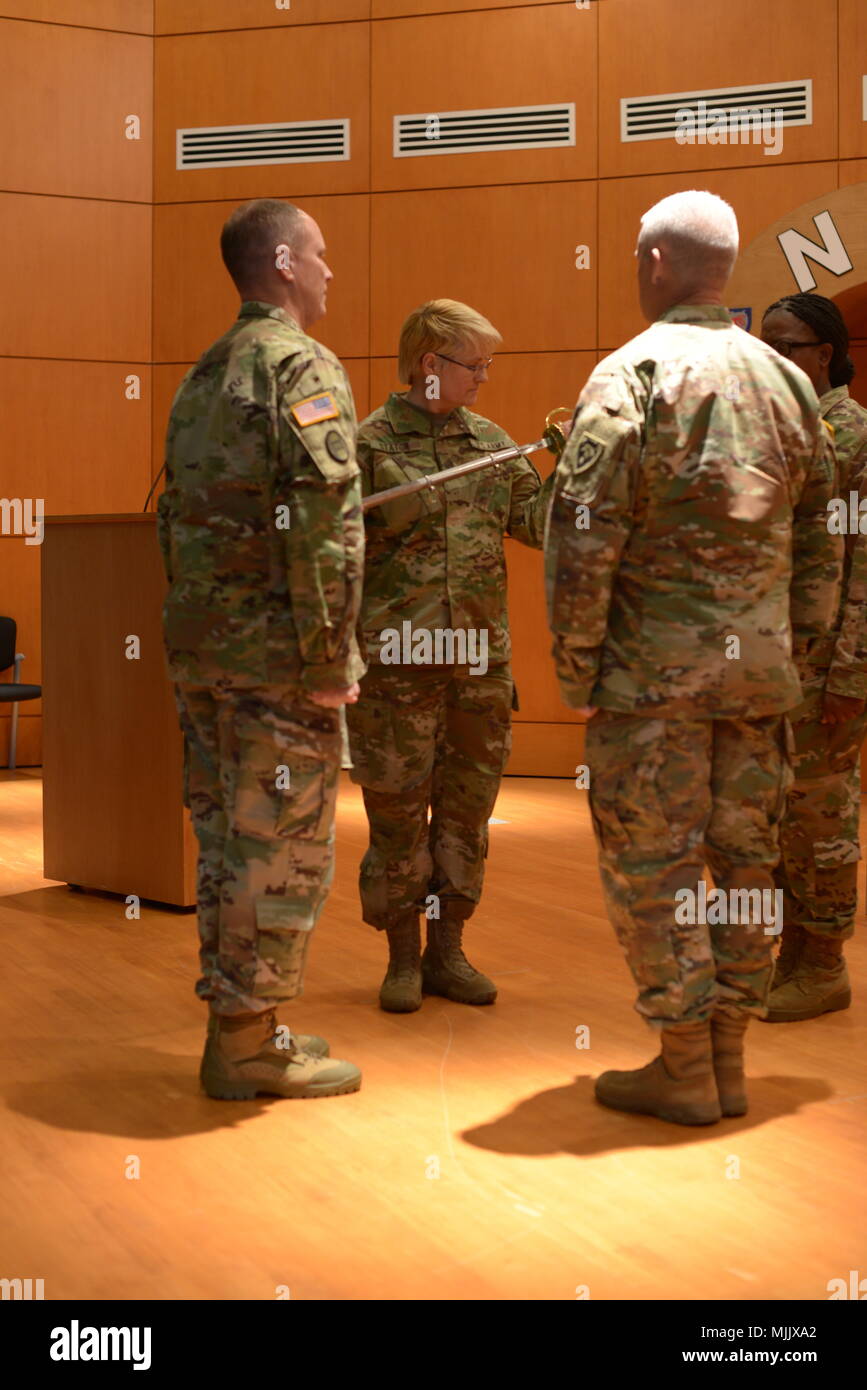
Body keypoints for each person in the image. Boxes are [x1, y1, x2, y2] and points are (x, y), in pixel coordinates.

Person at [545, 190, 843, 1125]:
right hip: (758, 680)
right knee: (748, 864)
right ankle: (726, 1056)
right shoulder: (787, 381)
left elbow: (581, 534)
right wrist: (793, 648)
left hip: (650, 684)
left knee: (655, 866)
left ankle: (681, 1059)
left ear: (653, 264)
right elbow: (822, 530)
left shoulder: (627, 376)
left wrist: (576, 669)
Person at [157, 198, 366, 1100]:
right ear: (282, 261)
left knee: (225, 842)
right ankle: (245, 1045)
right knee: (279, 849)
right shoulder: (299, 366)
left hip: (203, 653)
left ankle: (244, 1023)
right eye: (319, 255)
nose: (330, 271)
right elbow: (326, 531)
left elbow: (171, 518)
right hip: (277, 662)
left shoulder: (204, 374)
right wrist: (330, 660)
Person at [346, 299, 557, 1012]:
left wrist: (576, 464)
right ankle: (402, 958)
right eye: (474, 365)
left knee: (466, 817)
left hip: (477, 667)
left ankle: (448, 951)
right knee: (399, 818)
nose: (484, 379)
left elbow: (541, 525)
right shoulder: (365, 447)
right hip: (396, 669)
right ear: (428, 364)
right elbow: (331, 554)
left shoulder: (491, 443)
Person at [760, 292, 867, 1021]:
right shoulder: (788, 429)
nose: (768, 357)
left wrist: (852, 671)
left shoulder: (849, 432)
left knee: (822, 817)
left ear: (822, 355)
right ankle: (792, 951)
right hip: (774, 662)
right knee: (781, 814)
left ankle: (825, 963)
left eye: (784, 345)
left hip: (825, 661)